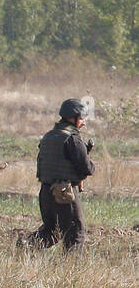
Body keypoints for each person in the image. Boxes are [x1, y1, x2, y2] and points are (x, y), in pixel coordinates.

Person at [29, 98, 95, 251]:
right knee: (75, 233)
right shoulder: (72, 138)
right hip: (65, 193)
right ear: (73, 118)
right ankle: (71, 269)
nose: (83, 123)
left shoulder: (48, 136)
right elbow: (87, 168)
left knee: (51, 231)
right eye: (82, 118)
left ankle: (24, 248)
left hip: (46, 191)